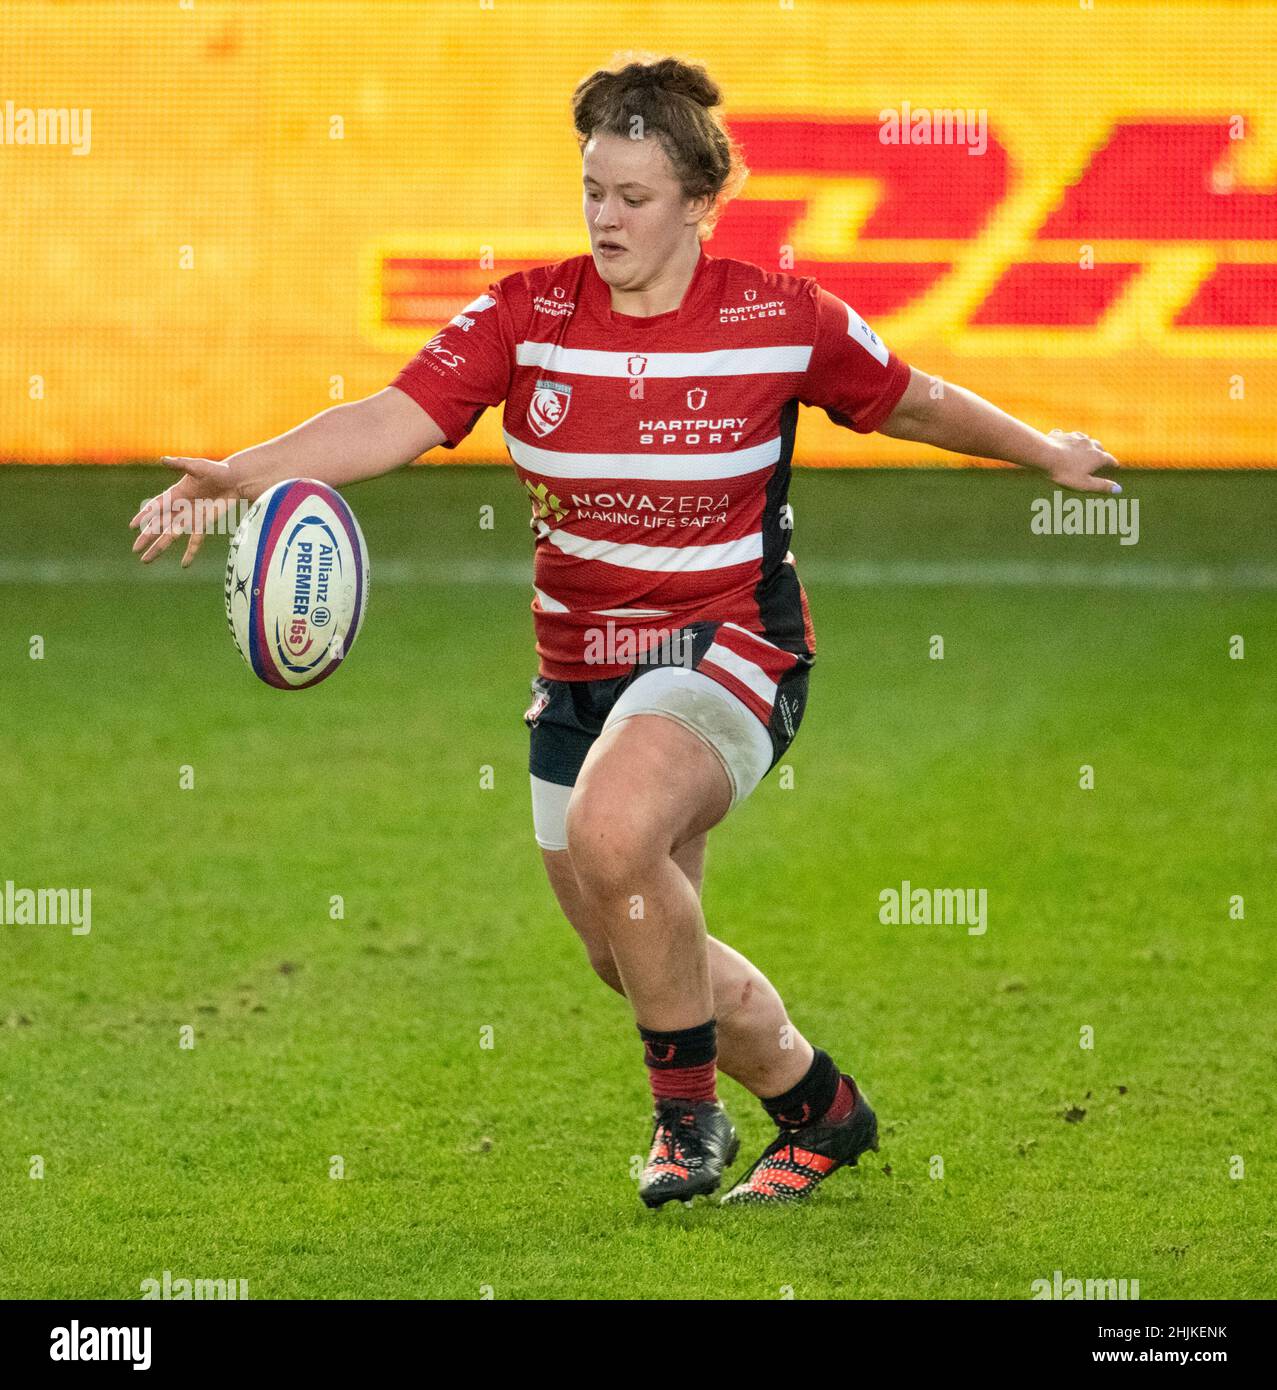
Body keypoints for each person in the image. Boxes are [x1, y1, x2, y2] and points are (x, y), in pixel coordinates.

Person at [130, 54, 1119, 1208]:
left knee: (613, 834)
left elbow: (912, 399)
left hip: (732, 653)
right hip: (575, 679)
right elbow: (392, 420)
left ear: (701, 203)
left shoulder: (777, 318)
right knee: (636, 953)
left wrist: (1041, 452)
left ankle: (682, 1124)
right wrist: (236, 477)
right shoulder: (525, 313)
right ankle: (816, 1107)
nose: (604, 216)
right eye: (592, 189)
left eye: (633, 197)